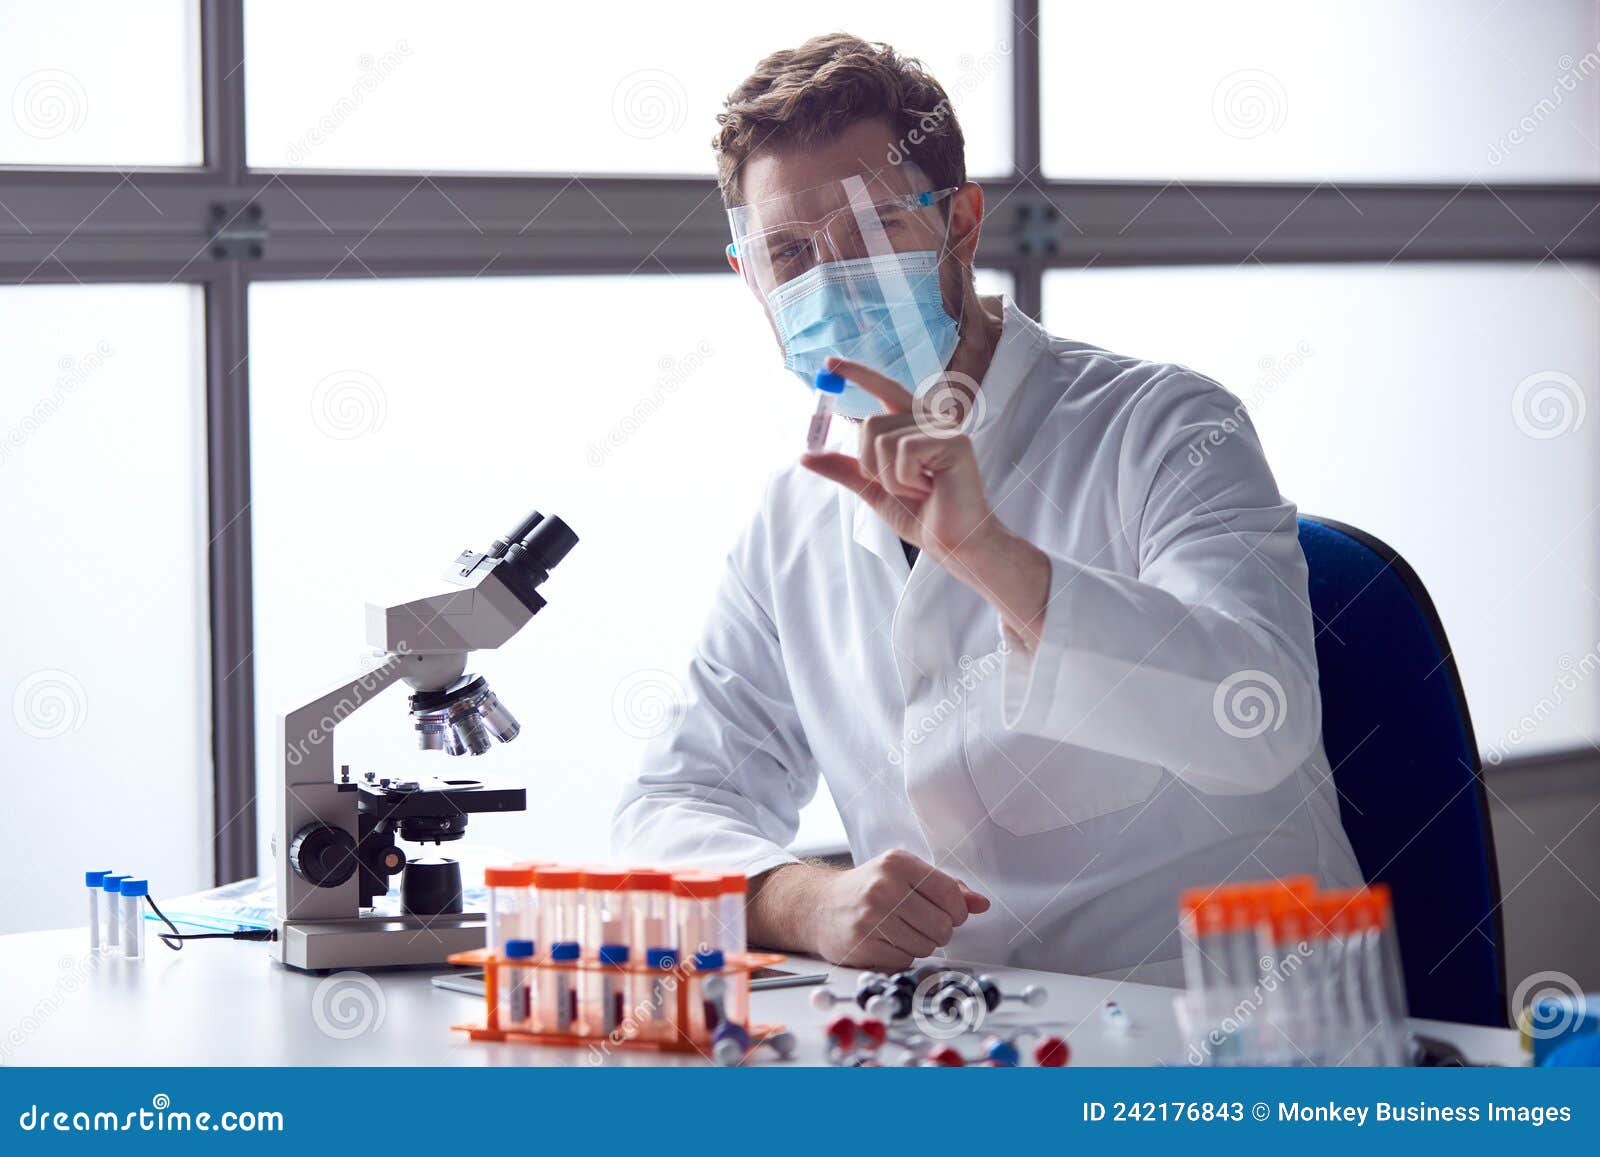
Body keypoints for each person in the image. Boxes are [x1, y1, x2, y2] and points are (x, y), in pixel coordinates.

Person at [612, 33, 1360, 983]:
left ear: (961, 224)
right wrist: (806, 900)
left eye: (876, 228)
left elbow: (1259, 722)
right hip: (963, 1040)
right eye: (790, 253)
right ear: (748, 277)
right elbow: (670, 804)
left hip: (1224, 1040)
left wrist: (996, 558)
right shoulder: (791, 519)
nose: (831, 277)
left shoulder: (1165, 424)